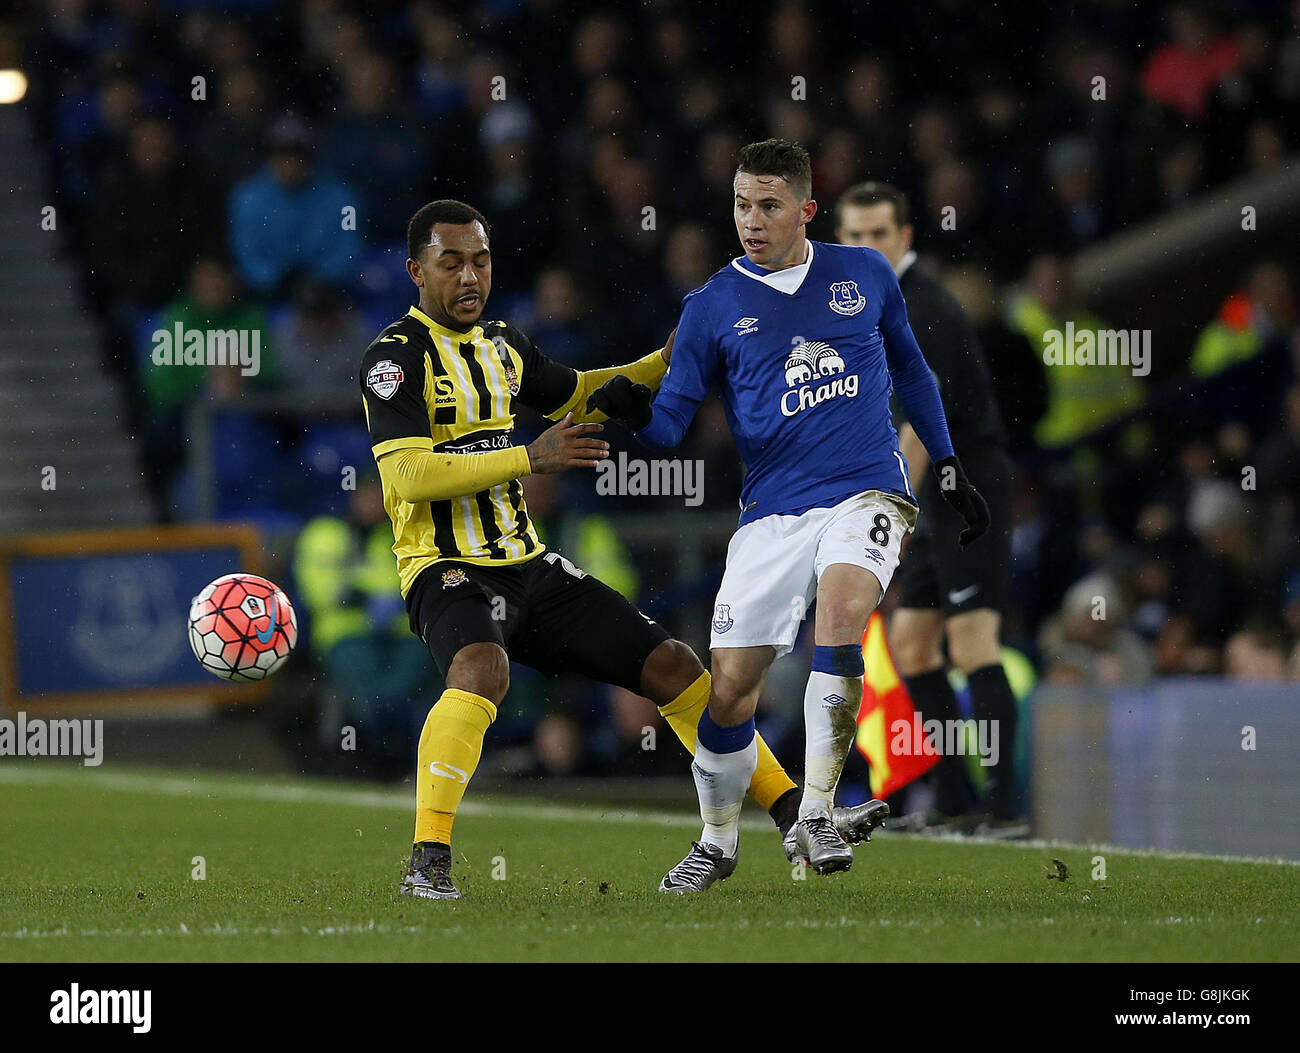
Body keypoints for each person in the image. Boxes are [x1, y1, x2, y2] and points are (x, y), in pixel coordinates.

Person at [361, 200, 807, 900]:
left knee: (672, 663)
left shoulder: (505, 344)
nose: (469, 275)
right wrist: (526, 456)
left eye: (480, 259)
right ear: (418, 270)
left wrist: (668, 357)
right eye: (451, 263)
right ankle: (428, 859)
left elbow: (580, 392)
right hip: (446, 569)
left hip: (527, 563)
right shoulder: (394, 357)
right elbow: (406, 474)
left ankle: (792, 811)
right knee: (482, 669)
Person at [589, 141, 989, 891]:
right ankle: (717, 841)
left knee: (842, 610)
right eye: (741, 204)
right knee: (730, 688)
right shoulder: (711, 305)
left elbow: (911, 366)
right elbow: (671, 423)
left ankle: (813, 811)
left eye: (768, 205)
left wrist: (949, 458)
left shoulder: (864, 274)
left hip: (869, 488)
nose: (751, 220)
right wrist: (630, 414)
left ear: (807, 209)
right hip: (771, 513)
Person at [833, 182, 1023, 833]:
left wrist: (891, 518)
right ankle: (953, 800)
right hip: (928, 491)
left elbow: (922, 422)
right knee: (913, 645)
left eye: (878, 234)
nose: (866, 247)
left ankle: (1003, 809)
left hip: (965, 486)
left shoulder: (924, 308)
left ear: (905, 238)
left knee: (972, 642)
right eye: (854, 236)